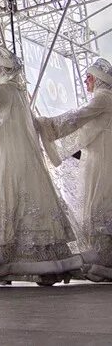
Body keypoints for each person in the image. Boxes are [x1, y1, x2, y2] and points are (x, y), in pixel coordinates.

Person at [0, 46, 82, 285]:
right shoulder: (20, 91)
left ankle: (6, 265)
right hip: (28, 158)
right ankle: (47, 266)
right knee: (31, 202)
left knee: (10, 199)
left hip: (10, 158)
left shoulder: (1, 89)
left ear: (1, 68)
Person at [36, 57, 112, 282]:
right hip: (100, 156)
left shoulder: (103, 98)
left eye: (89, 77)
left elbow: (76, 118)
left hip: (103, 160)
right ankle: (103, 259)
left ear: (98, 80)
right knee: (101, 205)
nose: (86, 81)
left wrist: (46, 124)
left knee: (100, 204)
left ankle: (104, 261)